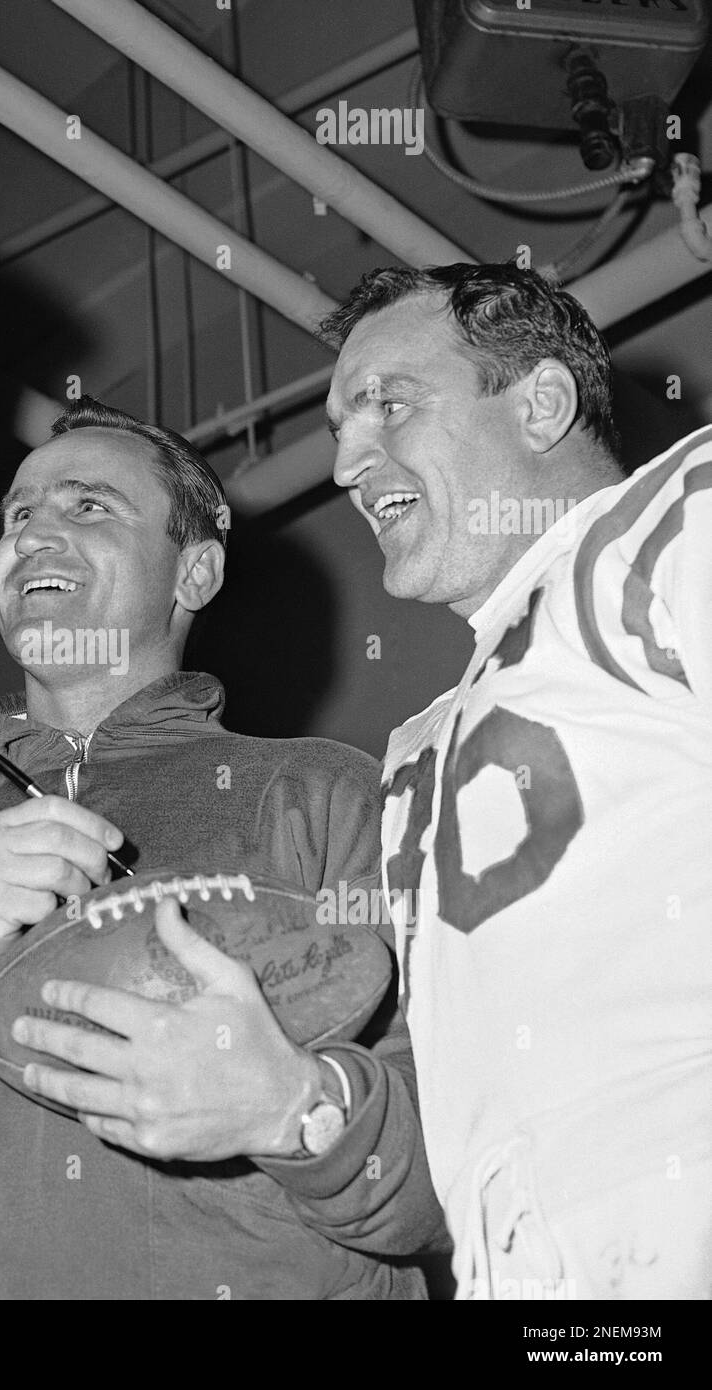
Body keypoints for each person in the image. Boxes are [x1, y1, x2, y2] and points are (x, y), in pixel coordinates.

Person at [0, 396, 443, 1300]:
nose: (33, 536)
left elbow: (449, 1162)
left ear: (195, 572)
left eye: (89, 505)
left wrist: (293, 1110)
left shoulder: (321, 792)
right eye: (18, 515)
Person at [321, 262, 712, 1299]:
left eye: (386, 406)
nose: (346, 462)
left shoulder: (682, 513)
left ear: (539, 403)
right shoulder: (415, 746)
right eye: (337, 429)